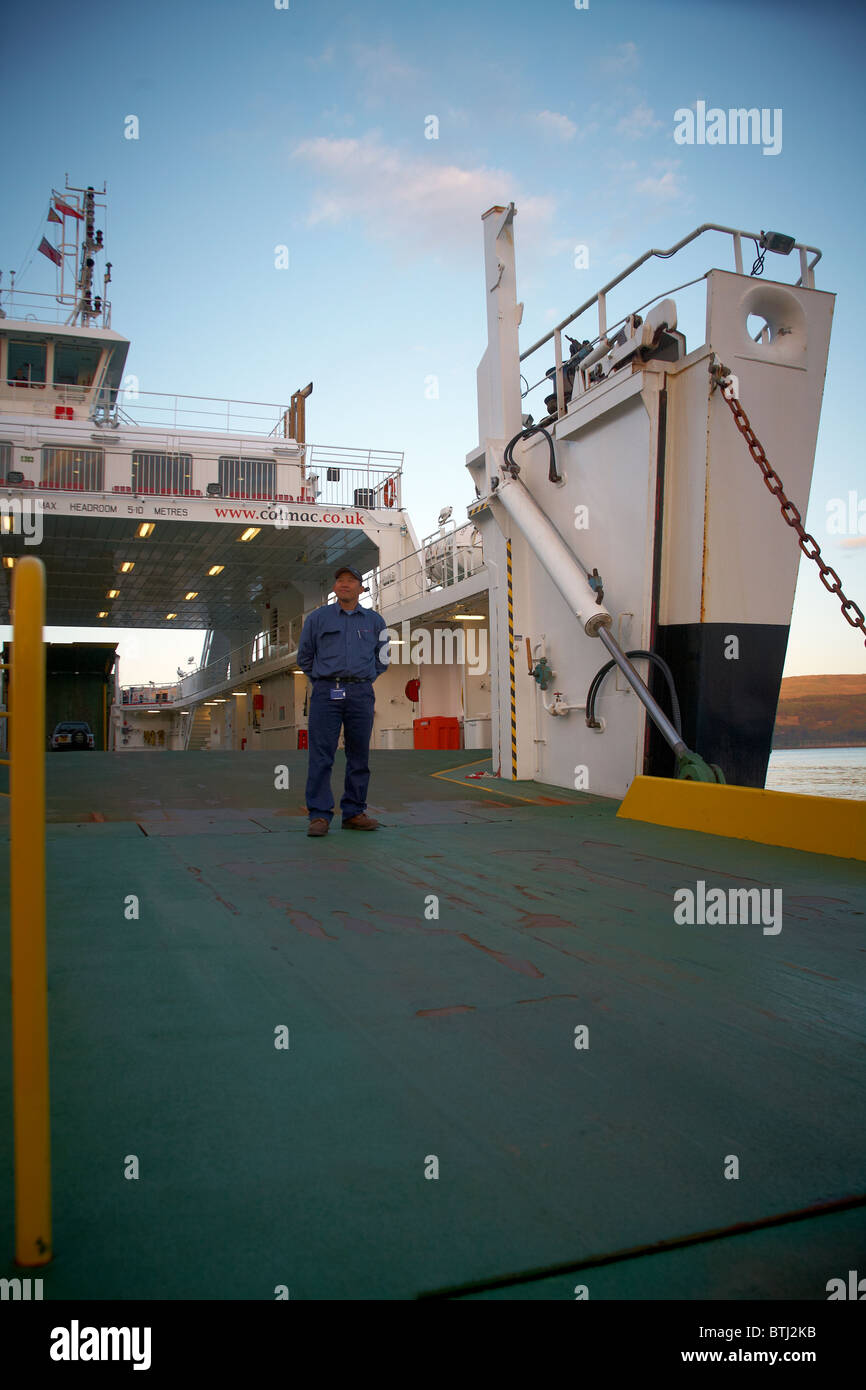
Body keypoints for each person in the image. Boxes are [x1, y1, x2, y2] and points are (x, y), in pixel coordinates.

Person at [297, 565, 389, 836]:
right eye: (340, 580)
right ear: (335, 588)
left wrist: (363, 679)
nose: (344, 584)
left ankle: (354, 812)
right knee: (321, 756)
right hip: (327, 693)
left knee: (359, 755)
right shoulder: (318, 619)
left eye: (351, 581)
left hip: (361, 693)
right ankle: (319, 815)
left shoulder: (375, 621)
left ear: (361, 588)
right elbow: (305, 657)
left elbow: (382, 659)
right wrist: (325, 681)